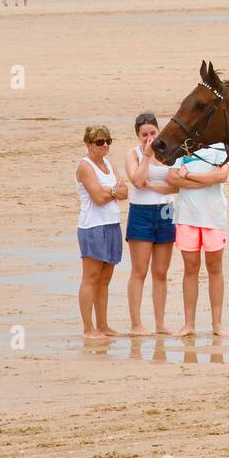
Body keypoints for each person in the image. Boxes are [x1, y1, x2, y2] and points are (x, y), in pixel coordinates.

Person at [168, 141, 229, 337]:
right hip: (187, 216)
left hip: (214, 217)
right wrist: (207, 179)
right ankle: (189, 324)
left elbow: (222, 175)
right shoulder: (181, 145)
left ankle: (217, 324)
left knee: (215, 268)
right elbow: (172, 178)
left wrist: (189, 175)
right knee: (191, 268)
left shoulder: (219, 146)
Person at [125, 112, 178, 335]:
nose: (149, 138)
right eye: (144, 134)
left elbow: (176, 185)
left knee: (161, 272)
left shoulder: (169, 152)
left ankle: (160, 322)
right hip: (141, 212)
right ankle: (136, 323)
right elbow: (137, 181)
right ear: (138, 135)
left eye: (152, 133)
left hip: (166, 211)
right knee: (139, 270)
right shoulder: (134, 153)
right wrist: (146, 156)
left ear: (159, 130)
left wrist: (153, 186)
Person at [76, 125, 127, 340]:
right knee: (91, 276)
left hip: (111, 222)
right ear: (88, 144)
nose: (105, 145)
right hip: (93, 225)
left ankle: (103, 324)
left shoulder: (108, 164)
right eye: (99, 142)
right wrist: (112, 191)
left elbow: (125, 192)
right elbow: (97, 197)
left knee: (105, 278)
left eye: (108, 141)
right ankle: (88, 328)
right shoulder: (85, 166)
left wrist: (111, 192)